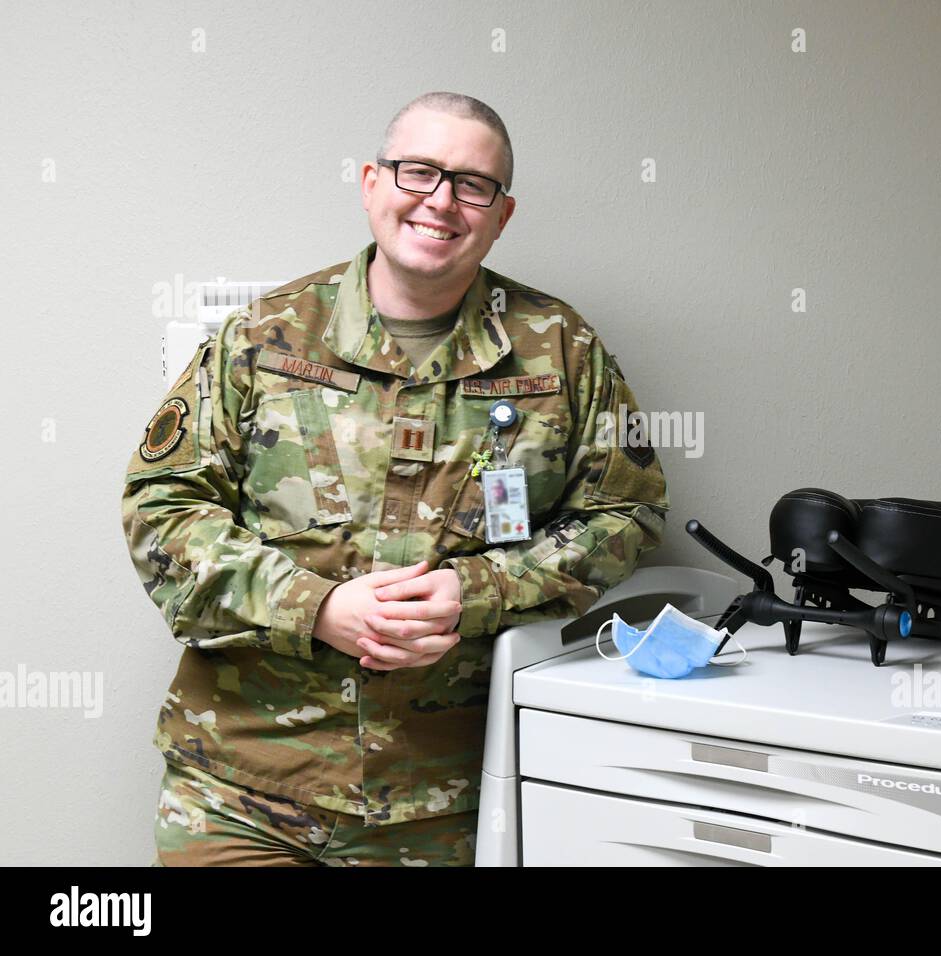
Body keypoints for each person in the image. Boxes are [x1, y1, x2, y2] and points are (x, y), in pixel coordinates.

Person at [122, 91, 670, 866]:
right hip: (244, 789)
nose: (440, 201)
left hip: (450, 803)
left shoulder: (560, 349)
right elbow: (163, 508)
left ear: (502, 213)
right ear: (372, 182)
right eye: (419, 172)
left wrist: (478, 593)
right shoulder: (262, 337)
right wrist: (315, 607)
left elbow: (628, 514)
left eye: (471, 184)